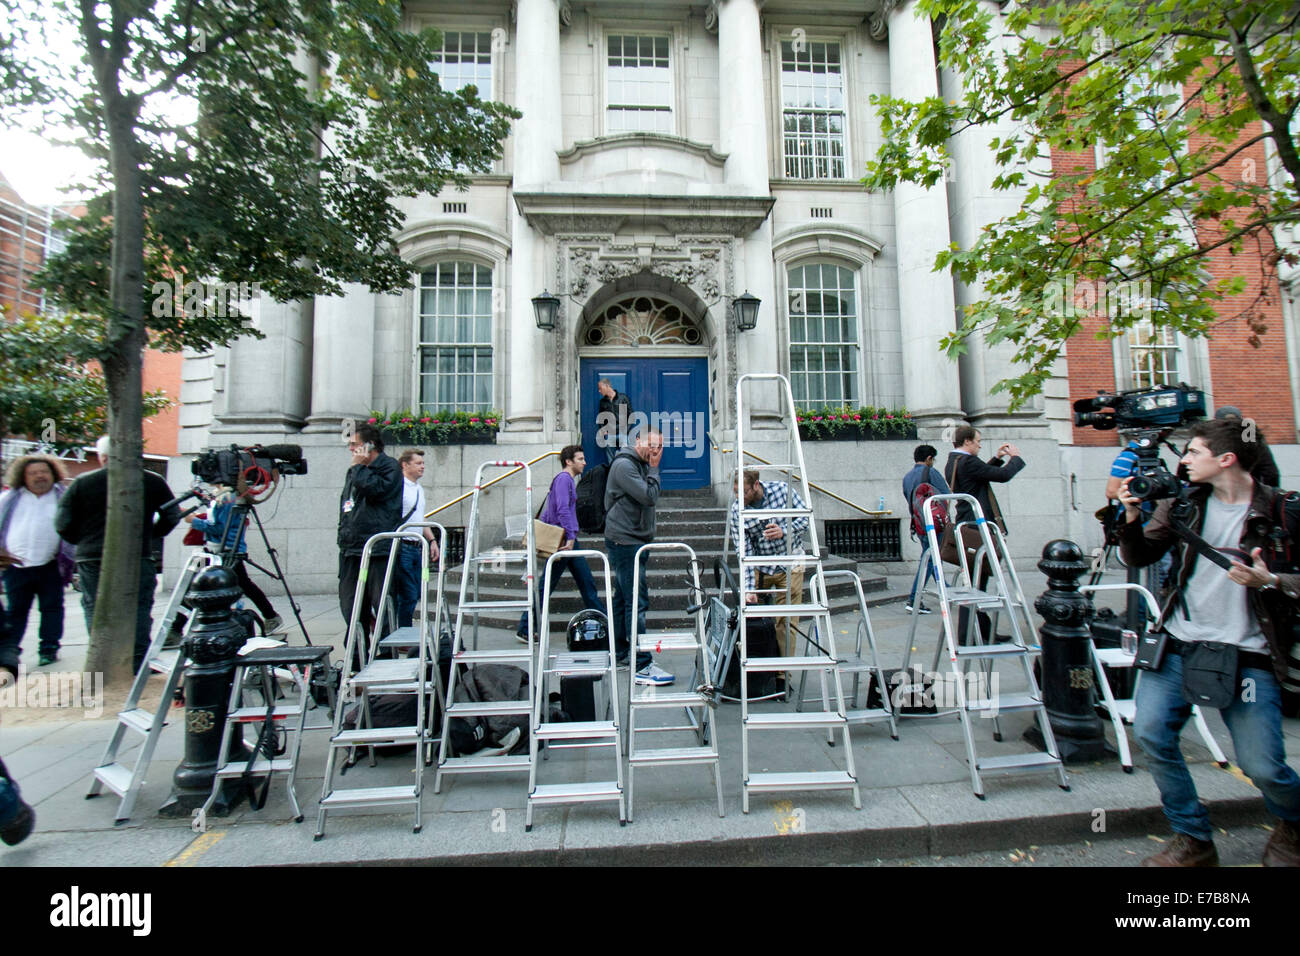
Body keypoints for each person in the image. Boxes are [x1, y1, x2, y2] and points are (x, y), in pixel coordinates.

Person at [1119, 419, 1300, 867]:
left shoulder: (1283, 510)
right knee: (1152, 734)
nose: (1184, 461)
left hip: (1248, 655)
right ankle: (1192, 837)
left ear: (1226, 459)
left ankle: (1292, 825)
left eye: (1193, 452)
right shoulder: (1183, 505)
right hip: (1179, 644)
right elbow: (1141, 555)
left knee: (1263, 766)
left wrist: (1272, 579)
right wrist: (1130, 516)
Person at [54, 436, 181, 672]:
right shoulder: (152, 481)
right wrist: (149, 536)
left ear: (102, 458)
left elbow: (62, 523)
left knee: (96, 607)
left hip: (92, 555)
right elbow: (172, 516)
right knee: (140, 608)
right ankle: (138, 661)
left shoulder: (82, 482)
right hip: (137, 555)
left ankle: (102, 660)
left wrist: (82, 541)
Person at [604, 428, 674, 686]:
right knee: (636, 601)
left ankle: (622, 652)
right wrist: (655, 469)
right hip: (626, 541)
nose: (655, 451)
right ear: (637, 442)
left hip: (633, 539)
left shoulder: (638, 464)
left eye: (659, 446)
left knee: (624, 598)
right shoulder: (625, 465)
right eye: (651, 444)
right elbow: (648, 496)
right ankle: (641, 664)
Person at [944, 425, 1025, 643]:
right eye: (978, 440)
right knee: (976, 581)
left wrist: (996, 458)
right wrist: (1014, 458)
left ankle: (979, 631)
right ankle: (970, 634)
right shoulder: (968, 462)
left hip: (967, 524)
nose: (980, 444)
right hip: (975, 527)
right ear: (967, 441)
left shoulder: (955, 460)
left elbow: (979, 476)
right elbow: (1002, 476)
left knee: (975, 581)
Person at [518, 444, 602, 640]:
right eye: (580, 459)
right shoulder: (565, 480)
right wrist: (570, 536)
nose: (585, 462)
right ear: (568, 461)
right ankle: (525, 627)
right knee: (548, 585)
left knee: (585, 582)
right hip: (563, 541)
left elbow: (553, 510)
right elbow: (563, 510)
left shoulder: (565, 480)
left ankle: (600, 620)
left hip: (566, 538)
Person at [729, 469, 809, 668]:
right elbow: (743, 551)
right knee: (753, 621)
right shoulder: (738, 509)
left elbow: (805, 518)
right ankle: (761, 672)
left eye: (744, 492)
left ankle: (783, 675)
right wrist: (749, 589)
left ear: (756, 485)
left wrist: (784, 531)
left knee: (787, 622)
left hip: (790, 562)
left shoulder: (782, 490)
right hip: (761, 566)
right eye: (736, 492)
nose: (741, 498)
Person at [0, 455, 72, 668]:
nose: (39, 476)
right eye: (33, 473)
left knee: (52, 608)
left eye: (44, 472)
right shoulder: (8, 499)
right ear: (23, 476)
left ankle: (49, 648)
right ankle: (10, 650)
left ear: (53, 474)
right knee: (15, 611)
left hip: (51, 565)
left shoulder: (63, 497)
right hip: (16, 566)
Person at [338, 424, 402, 657]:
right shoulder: (355, 471)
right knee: (351, 604)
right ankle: (356, 653)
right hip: (351, 549)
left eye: (354, 444)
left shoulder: (389, 468)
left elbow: (374, 490)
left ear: (369, 446)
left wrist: (358, 468)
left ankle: (385, 653)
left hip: (377, 549)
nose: (351, 450)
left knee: (381, 601)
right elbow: (347, 505)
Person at [184, 485, 283, 633]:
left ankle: (271, 616)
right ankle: (271, 616)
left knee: (198, 586)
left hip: (226, 551)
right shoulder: (224, 496)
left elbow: (221, 528)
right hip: (212, 549)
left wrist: (194, 521)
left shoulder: (229, 498)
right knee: (192, 585)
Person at [901, 445, 950, 614]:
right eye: (933, 459)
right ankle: (914, 599)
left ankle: (946, 590)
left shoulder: (907, 477)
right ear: (929, 458)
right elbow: (946, 496)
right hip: (934, 524)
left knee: (932, 557)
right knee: (929, 559)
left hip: (918, 523)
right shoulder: (931, 473)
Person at [394, 449, 439, 630]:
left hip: (417, 546)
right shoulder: (399, 487)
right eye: (418, 463)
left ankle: (400, 628)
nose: (423, 467)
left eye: (423, 463)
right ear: (405, 465)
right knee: (408, 593)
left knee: (416, 591)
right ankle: (401, 631)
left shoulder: (418, 488)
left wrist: (431, 540)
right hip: (403, 545)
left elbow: (420, 518)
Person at [1214, 405, 1280, 486]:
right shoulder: (1253, 439)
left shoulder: (1209, 440)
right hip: (1250, 490)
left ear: (1215, 422)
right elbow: (1271, 473)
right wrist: (1269, 494)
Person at [596, 378, 634, 465]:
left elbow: (631, 415)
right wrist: (603, 430)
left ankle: (625, 476)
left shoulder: (623, 398)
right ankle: (613, 476)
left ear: (607, 386)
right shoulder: (602, 402)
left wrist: (626, 430)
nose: (599, 391)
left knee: (626, 458)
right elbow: (600, 419)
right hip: (609, 434)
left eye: (600, 388)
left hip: (622, 433)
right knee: (611, 460)